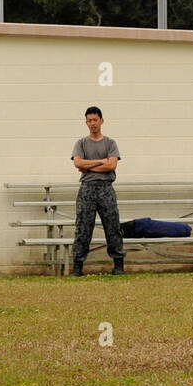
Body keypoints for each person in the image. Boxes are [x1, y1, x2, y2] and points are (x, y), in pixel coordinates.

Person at [70, 106, 124, 276]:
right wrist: (101, 162)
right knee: (83, 228)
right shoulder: (81, 143)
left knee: (112, 226)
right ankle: (78, 266)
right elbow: (78, 163)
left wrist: (89, 166)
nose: (93, 123)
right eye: (89, 120)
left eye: (95, 120)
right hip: (87, 190)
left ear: (102, 120)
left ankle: (118, 265)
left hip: (106, 189)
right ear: (86, 122)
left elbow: (112, 165)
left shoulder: (110, 143)